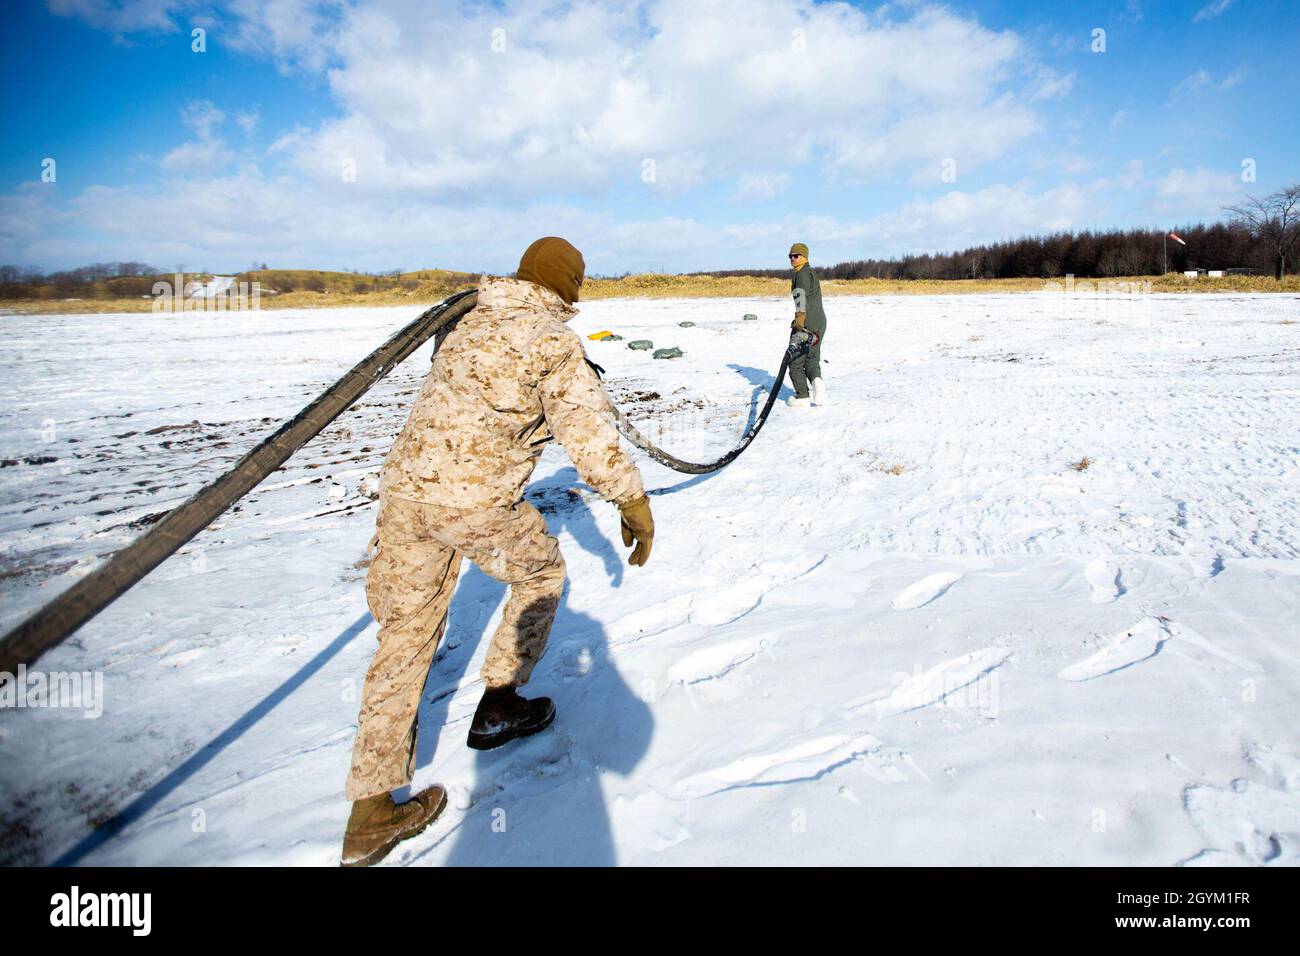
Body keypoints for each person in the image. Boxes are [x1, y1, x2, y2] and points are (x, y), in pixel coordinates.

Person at [340, 236, 654, 867]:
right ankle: (501, 702)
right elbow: (589, 435)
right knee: (541, 574)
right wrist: (632, 502)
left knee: (404, 638)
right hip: (472, 500)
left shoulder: (468, 316)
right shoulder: (551, 340)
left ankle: (369, 811)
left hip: (403, 495)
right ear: (567, 282)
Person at [786, 242, 828, 407]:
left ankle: (802, 397)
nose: (793, 259)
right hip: (820, 321)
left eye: (796, 256)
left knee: (795, 360)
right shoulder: (811, 272)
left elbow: (800, 296)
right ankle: (819, 386)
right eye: (790, 256)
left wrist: (799, 321)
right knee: (811, 358)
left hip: (807, 322)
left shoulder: (801, 274)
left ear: (804, 257)